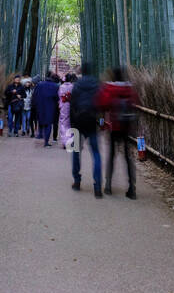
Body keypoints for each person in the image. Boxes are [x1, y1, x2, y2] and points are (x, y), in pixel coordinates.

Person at [98, 67, 139, 199]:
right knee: (128, 157)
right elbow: (136, 103)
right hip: (127, 127)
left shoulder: (109, 88)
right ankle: (132, 188)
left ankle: (108, 185)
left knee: (111, 156)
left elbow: (102, 104)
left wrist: (102, 122)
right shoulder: (130, 89)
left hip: (114, 126)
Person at [69, 62, 102, 197]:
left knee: (76, 151)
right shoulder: (96, 84)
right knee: (96, 153)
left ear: (82, 71)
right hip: (91, 121)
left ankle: (77, 180)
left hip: (78, 121)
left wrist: (72, 124)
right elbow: (100, 103)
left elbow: (73, 104)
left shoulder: (77, 85)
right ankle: (98, 185)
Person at [33, 71, 60, 147]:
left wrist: (36, 104)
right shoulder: (55, 86)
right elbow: (57, 98)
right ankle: (46, 142)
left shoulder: (39, 85)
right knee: (48, 124)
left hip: (40, 106)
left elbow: (35, 95)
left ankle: (40, 134)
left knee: (41, 121)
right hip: (50, 107)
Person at [57, 74, 75, 149]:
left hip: (63, 106)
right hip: (71, 105)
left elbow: (59, 96)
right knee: (71, 123)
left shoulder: (61, 86)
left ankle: (64, 142)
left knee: (63, 123)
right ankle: (71, 141)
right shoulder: (72, 86)